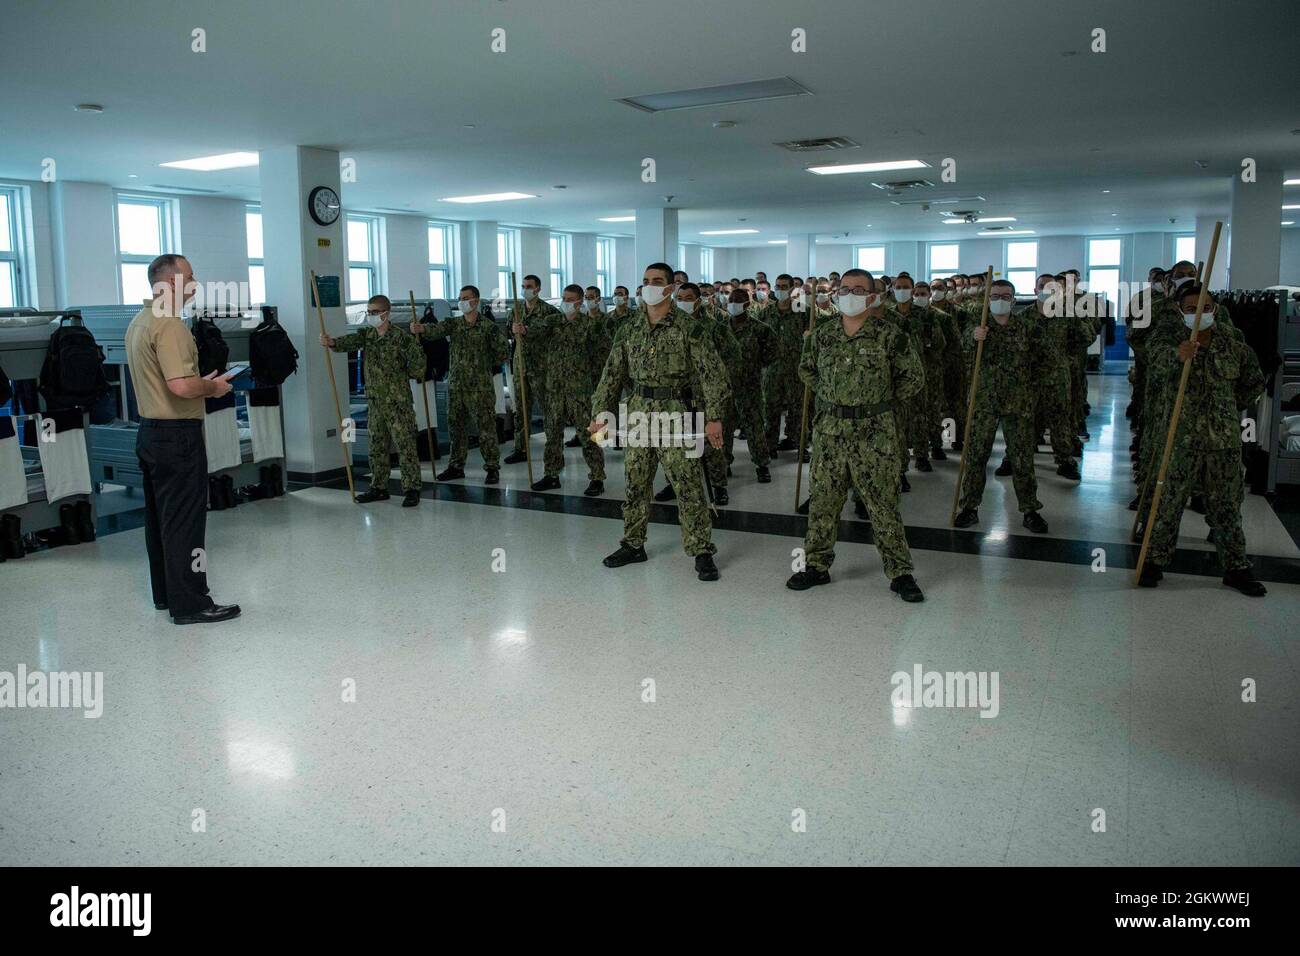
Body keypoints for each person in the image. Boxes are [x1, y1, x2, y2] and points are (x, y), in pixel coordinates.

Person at [786, 268, 925, 602]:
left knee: (883, 503)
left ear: (872, 296)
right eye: (845, 289)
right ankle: (815, 565)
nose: (850, 295)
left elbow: (913, 377)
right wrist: (831, 393)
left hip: (874, 433)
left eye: (859, 290)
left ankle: (900, 572)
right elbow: (806, 369)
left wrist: (879, 401)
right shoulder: (822, 335)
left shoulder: (890, 336)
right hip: (830, 431)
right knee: (823, 501)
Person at [587, 262, 728, 581]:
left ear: (670, 288)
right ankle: (633, 544)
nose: (650, 286)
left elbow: (713, 375)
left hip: (678, 412)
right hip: (638, 412)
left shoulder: (690, 328)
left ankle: (701, 550)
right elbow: (611, 374)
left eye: (657, 281)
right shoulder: (629, 328)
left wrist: (714, 418)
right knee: (635, 482)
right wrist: (600, 414)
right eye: (646, 280)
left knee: (688, 484)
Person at [124, 254, 240, 625]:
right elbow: (180, 386)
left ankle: (166, 595)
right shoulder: (170, 326)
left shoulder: (140, 322)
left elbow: (168, 381)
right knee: (185, 523)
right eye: (190, 276)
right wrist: (212, 387)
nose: (195, 283)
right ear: (171, 283)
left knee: (160, 520)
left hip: (151, 433)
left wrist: (197, 382)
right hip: (178, 436)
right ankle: (191, 604)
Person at [1138, 285, 1266, 596]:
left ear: (1215, 309)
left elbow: (1253, 382)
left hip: (1223, 441)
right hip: (1179, 439)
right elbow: (1153, 365)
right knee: (1168, 502)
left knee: (1227, 505)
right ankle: (1154, 560)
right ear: (1180, 311)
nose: (1199, 314)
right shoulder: (1168, 338)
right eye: (1191, 309)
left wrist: (1226, 409)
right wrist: (1177, 356)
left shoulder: (1232, 342)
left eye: (1205, 308)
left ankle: (1236, 566)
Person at [953, 280, 1050, 533]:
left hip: (1018, 404)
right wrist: (974, 337)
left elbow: (1044, 361)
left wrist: (1031, 391)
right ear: (987, 300)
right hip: (983, 403)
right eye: (995, 296)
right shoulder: (979, 326)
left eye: (1005, 296)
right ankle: (970, 507)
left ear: (1014, 300)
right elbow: (963, 352)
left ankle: (1030, 510)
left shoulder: (1027, 328)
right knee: (976, 456)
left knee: (1022, 458)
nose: (999, 300)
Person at [320, 294, 426, 507]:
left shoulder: (401, 338)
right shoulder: (367, 335)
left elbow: (419, 365)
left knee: (405, 446)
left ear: (386, 313)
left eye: (375, 312)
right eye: (368, 312)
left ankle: (412, 489)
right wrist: (331, 342)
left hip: (398, 403)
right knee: (377, 446)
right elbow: (348, 342)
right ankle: (379, 487)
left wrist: (404, 374)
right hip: (376, 402)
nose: (371, 316)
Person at [518, 284, 606, 495]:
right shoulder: (553, 321)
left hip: (580, 390)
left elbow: (600, 356)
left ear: (579, 302)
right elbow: (534, 331)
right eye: (564, 298)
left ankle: (597, 477)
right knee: (553, 434)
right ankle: (552, 474)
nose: (565, 302)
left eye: (570, 299)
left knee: (588, 435)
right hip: (555, 389)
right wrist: (523, 330)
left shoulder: (589, 325)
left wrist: (594, 384)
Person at [417, 286, 509, 484]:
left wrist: (485, 364)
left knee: (486, 429)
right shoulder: (455, 324)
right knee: (456, 428)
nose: (462, 301)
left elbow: (503, 352)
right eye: (460, 298)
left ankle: (492, 467)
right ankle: (456, 466)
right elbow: (436, 330)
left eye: (466, 298)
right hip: (457, 386)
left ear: (476, 301)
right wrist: (422, 328)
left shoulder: (488, 327)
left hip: (480, 388)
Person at [887, 274, 946, 475]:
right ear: (892, 290)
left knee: (920, 416)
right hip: (896, 375)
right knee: (898, 418)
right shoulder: (888, 316)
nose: (901, 291)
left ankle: (922, 456)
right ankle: (900, 461)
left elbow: (939, 343)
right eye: (898, 287)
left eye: (905, 287)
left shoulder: (926, 316)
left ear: (912, 291)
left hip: (920, 373)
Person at [504, 274, 559, 465]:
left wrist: (527, 330)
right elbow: (508, 331)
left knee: (548, 409)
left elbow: (552, 334)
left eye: (529, 286)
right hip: (521, 367)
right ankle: (520, 448)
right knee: (521, 409)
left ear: (538, 289)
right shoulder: (516, 309)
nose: (525, 289)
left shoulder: (549, 311)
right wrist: (513, 329)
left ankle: (554, 447)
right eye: (523, 286)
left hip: (541, 368)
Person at [760, 274, 807, 458]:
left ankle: (799, 444)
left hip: (795, 369)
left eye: (784, 287)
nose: (780, 290)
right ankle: (770, 445)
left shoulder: (802, 310)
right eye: (777, 286)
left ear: (792, 289)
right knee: (770, 409)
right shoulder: (766, 312)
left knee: (798, 409)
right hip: (772, 370)